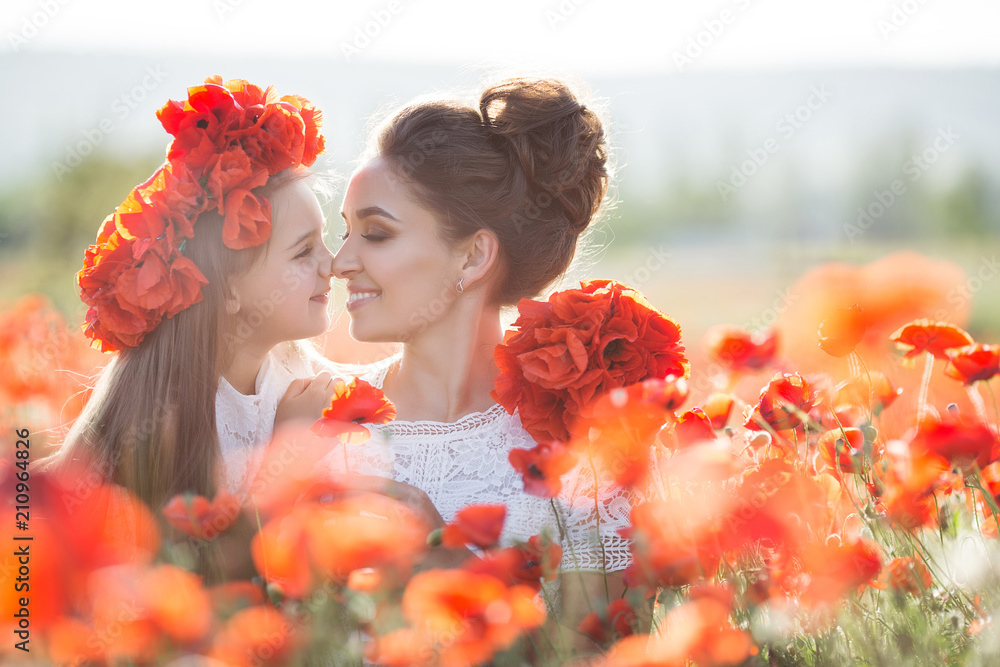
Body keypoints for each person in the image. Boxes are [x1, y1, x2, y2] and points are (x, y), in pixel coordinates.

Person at [326, 76, 635, 652]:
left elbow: (593, 655)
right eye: (345, 233)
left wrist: (437, 558)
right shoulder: (321, 424)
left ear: (472, 255)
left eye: (375, 233)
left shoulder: (577, 452)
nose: (339, 262)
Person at [38, 77, 339, 520]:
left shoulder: (301, 377)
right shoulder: (165, 421)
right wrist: (291, 448)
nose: (332, 264)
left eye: (325, 242)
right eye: (304, 251)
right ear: (230, 290)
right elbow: (207, 575)